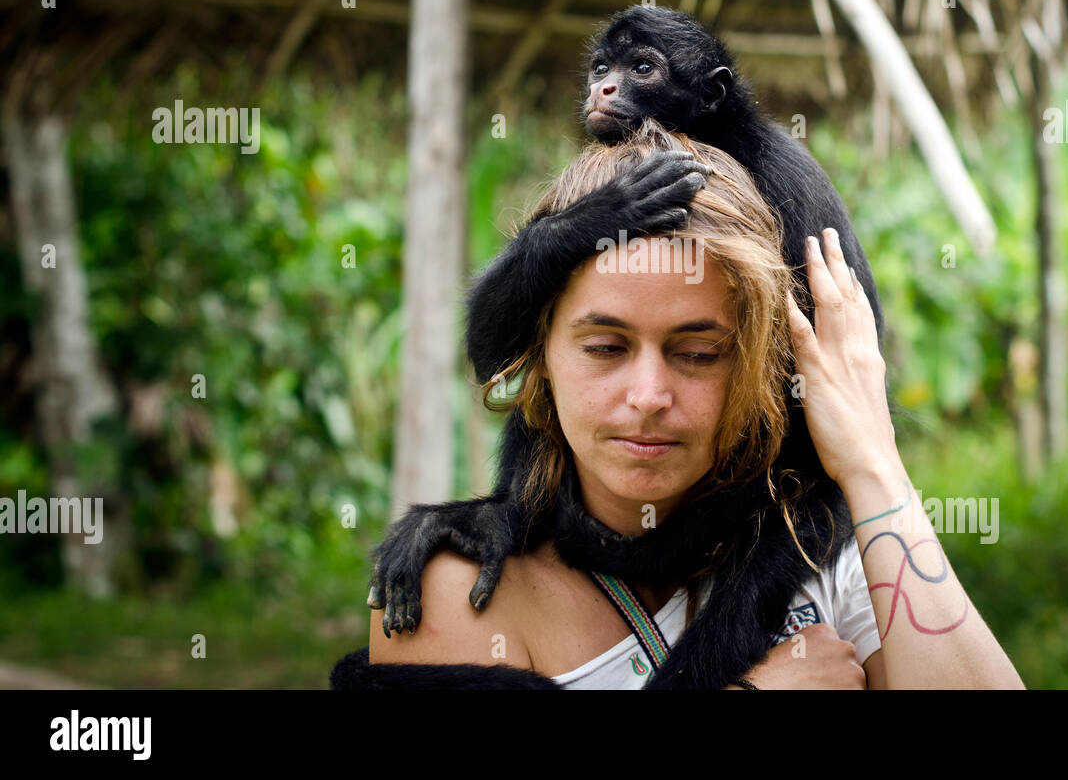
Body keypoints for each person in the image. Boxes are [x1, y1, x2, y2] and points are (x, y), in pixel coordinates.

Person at [354, 120, 1023, 690]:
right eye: (606, 348)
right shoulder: (454, 593)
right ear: (540, 356)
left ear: (759, 368)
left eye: (698, 354)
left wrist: (875, 465)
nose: (648, 397)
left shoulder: (822, 557)